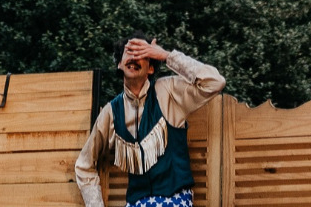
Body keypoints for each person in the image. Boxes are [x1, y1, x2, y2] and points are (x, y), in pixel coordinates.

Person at [75, 37, 226, 207]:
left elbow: (215, 82)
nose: (134, 57)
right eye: (129, 52)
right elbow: (84, 165)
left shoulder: (167, 91)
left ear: (151, 68)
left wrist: (165, 55)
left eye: (141, 54)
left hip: (175, 200)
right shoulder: (112, 112)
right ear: (119, 63)